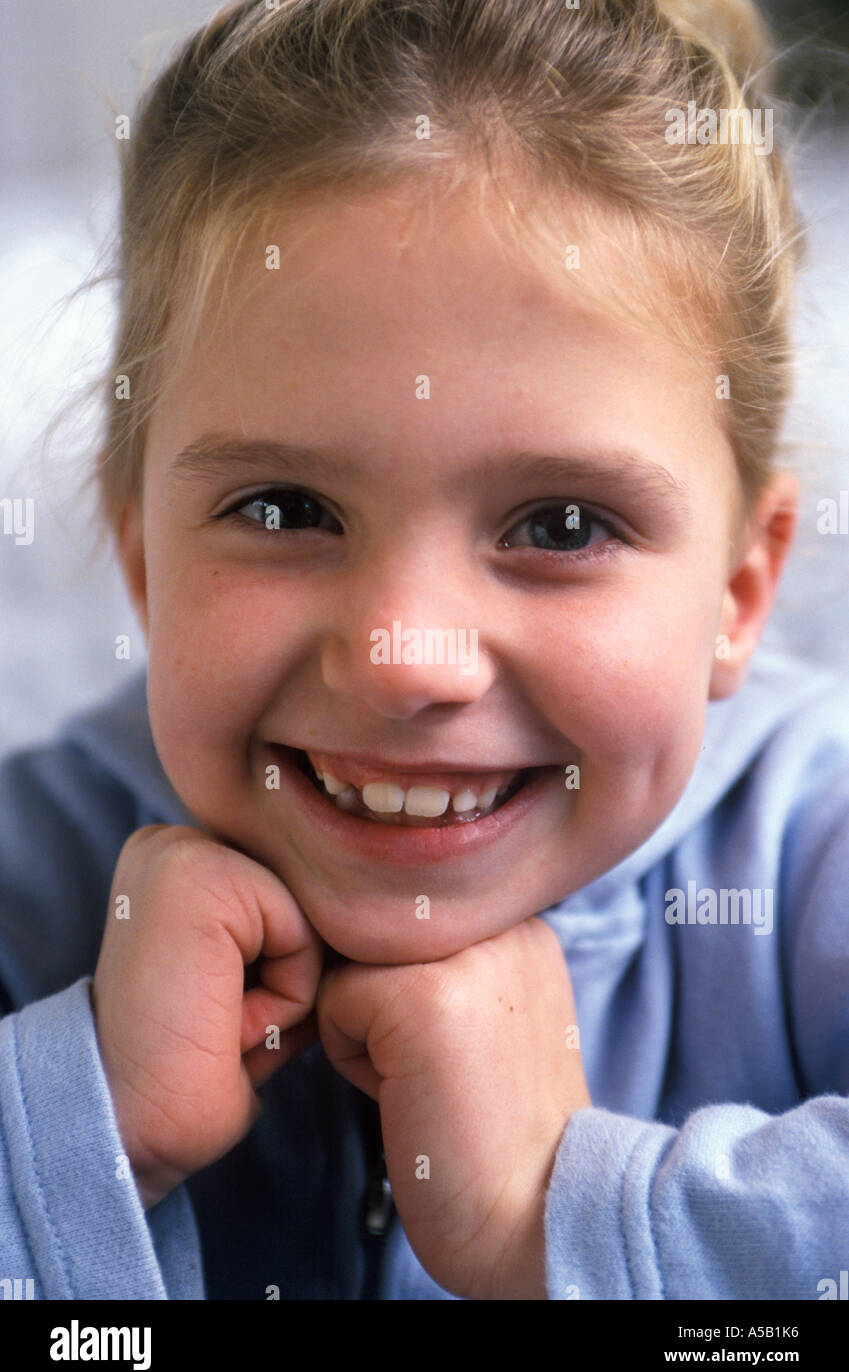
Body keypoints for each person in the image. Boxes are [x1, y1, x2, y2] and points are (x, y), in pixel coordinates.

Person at [2, 0, 848, 1300]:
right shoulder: (42, 873)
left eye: (559, 524)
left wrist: (574, 1216)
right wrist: (81, 1119)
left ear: (737, 592)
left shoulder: (811, 852)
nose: (405, 658)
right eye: (283, 510)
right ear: (143, 565)